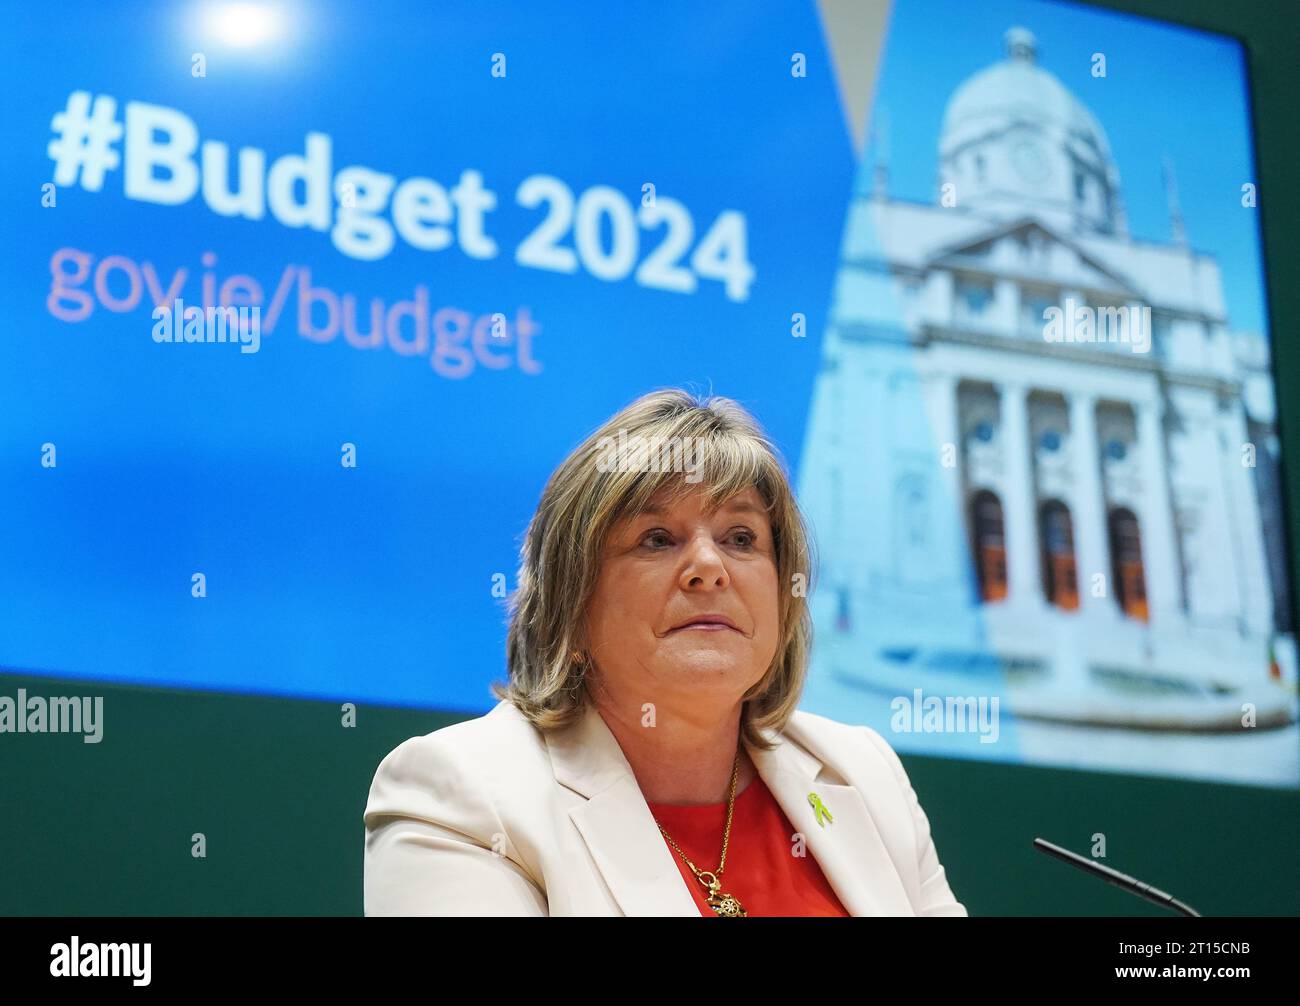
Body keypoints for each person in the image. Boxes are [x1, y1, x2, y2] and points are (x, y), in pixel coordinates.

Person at [363, 388, 966, 916]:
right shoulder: (462, 796)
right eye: (657, 539)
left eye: (741, 538)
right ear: (570, 603)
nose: (710, 567)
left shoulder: (862, 773)